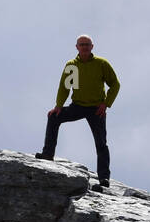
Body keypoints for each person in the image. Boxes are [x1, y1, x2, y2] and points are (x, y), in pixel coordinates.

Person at [35, 35, 119, 187]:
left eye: (87, 44)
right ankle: (48, 154)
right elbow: (65, 87)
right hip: (78, 106)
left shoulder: (101, 64)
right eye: (82, 44)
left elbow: (115, 84)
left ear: (92, 46)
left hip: (96, 109)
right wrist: (58, 106)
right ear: (77, 47)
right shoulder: (72, 65)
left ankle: (104, 178)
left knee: (101, 143)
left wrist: (106, 104)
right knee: (54, 117)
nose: (85, 47)